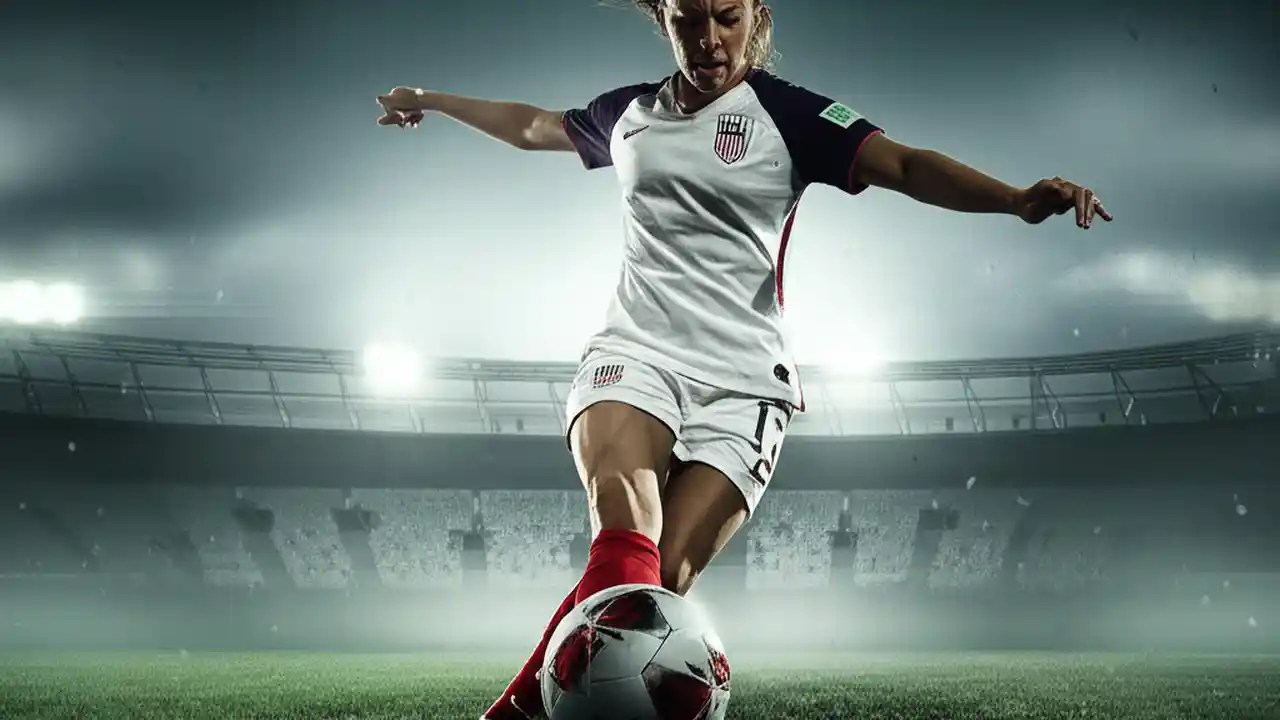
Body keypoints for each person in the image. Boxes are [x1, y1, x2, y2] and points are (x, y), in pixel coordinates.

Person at [375, 1, 1112, 716]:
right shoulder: (630, 115)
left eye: (726, 17)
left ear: (756, 14)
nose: (709, 40)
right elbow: (535, 126)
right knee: (623, 528)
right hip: (636, 354)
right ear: (660, 19)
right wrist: (432, 99)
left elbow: (908, 164)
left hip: (745, 385)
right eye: (687, 21)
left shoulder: (790, 115)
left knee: (650, 598)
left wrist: (1014, 199)